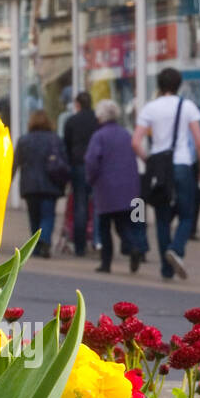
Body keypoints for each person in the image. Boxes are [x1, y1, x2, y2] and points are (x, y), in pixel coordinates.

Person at [133, 67, 200, 281]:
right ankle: (176, 249)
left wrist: (149, 161)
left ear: (158, 84)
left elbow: (135, 142)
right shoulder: (188, 107)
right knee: (186, 214)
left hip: (160, 167)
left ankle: (166, 270)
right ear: (179, 84)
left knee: (162, 217)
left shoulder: (150, 108)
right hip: (182, 164)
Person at [85, 98, 144, 274]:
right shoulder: (126, 133)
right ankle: (133, 246)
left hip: (106, 188)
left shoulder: (99, 136)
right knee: (124, 223)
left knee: (104, 226)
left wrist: (90, 179)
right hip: (128, 187)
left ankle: (106, 263)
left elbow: (91, 161)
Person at [12, 109, 68, 258]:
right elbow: (63, 160)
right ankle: (44, 240)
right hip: (50, 184)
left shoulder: (24, 140)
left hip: (30, 185)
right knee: (48, 215)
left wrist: (7, 182)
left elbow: (15, 162)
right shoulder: (55, 139)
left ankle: (35, 247)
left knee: (34, 216)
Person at [62, 91, 98, 256]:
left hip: (78, 165)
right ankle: (98, 241)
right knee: (98, 204)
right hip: (97, 165)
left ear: (77, 104)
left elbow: (66, 145)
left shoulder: (71, 121)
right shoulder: (97, 121)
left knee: (80, 204)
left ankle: (80, 245)